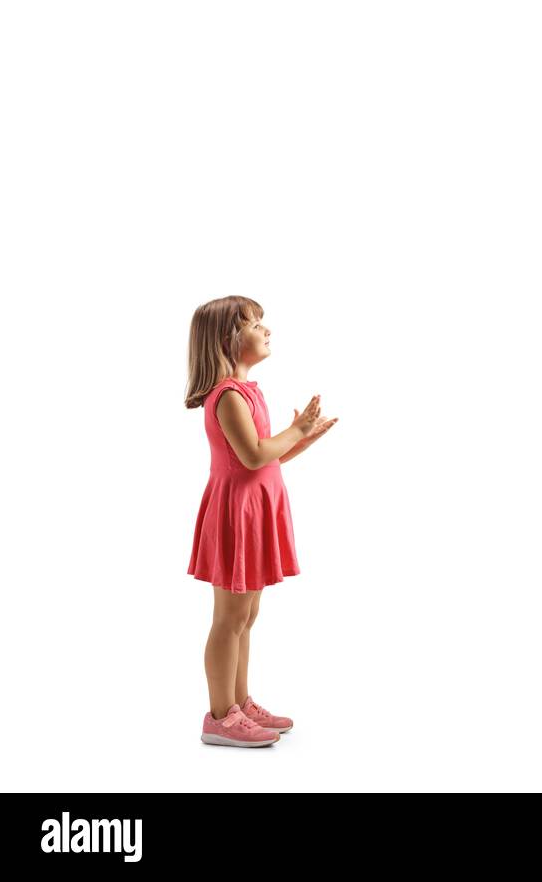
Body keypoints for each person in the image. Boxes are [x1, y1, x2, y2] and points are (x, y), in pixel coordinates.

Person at [184, 295, 338, 746]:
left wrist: (301, 442)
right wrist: (294, 431)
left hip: (255, 510)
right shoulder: (228, 396)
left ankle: (239, 700)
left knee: (246, 616)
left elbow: (264, 457)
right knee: (229, 618)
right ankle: (218, 717)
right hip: (236, 514)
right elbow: (252, 455)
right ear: (228, 339)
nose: (266, 330)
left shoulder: (247, 392)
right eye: (255, 324)